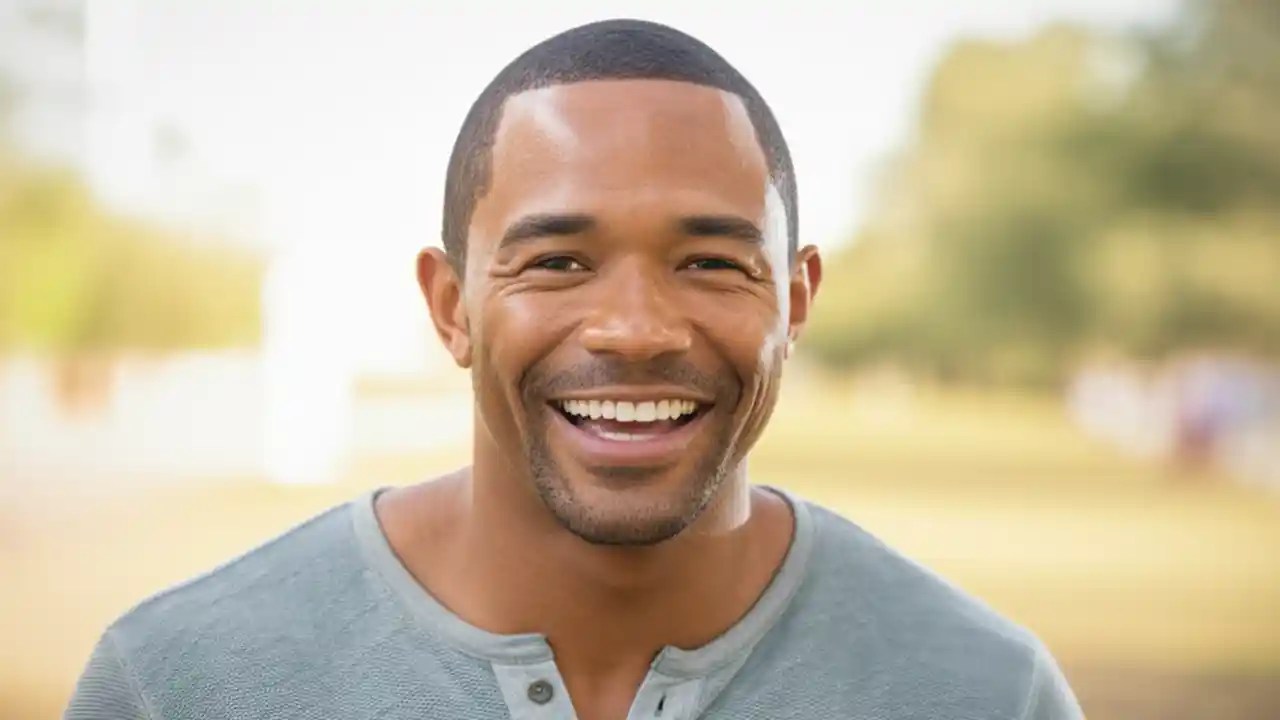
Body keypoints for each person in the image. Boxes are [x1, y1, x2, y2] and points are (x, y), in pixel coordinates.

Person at [66, 19, 1083, 720]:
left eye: (709, 262)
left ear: (794, 301)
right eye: (556, 261)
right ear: (451, 305)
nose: (634, 329)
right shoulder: (182, 684)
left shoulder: (982, 691)